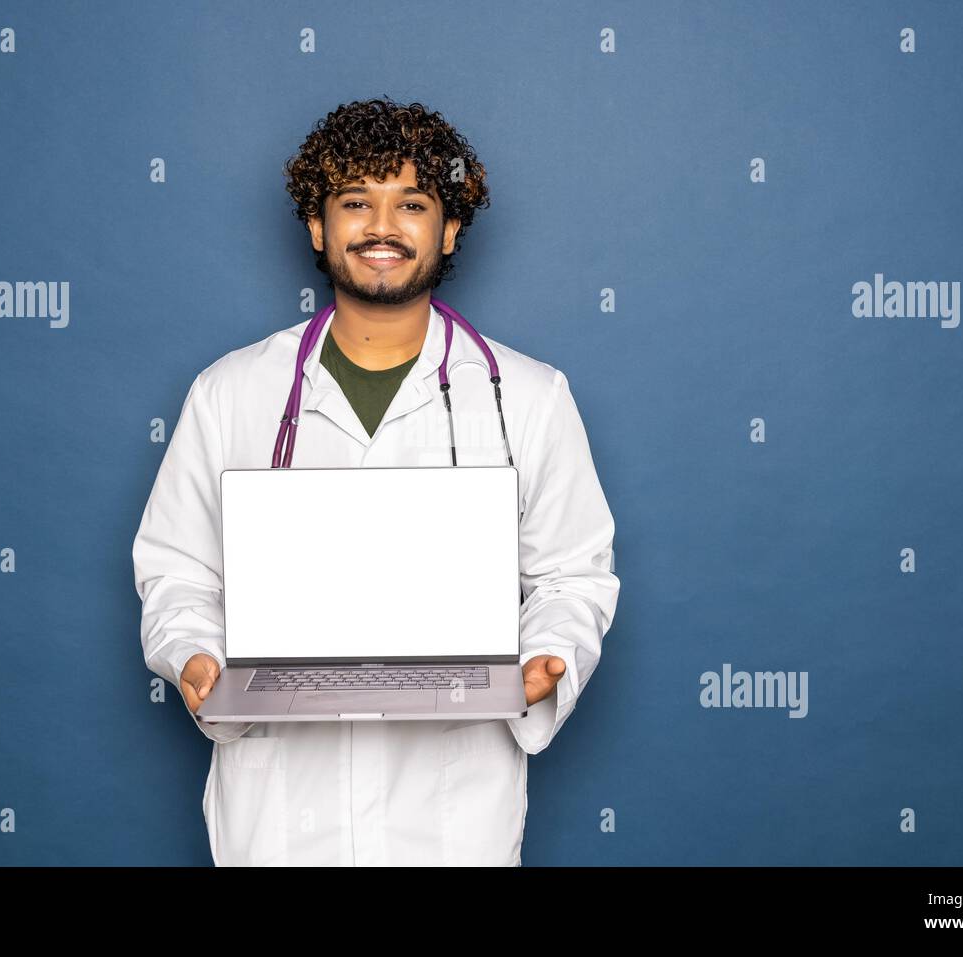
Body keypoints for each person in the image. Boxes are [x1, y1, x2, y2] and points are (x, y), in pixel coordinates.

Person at [131, 97, 620, 865]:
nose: (383, 226)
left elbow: (574, 573)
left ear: (449, 227)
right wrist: (194, 655)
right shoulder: (230, 392)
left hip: (454, 817)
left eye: (413, 203)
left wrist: (546, 654)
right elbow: (178, 570)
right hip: (281, 815)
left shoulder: (527, 395)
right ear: (318, 226)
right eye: (356, 201)